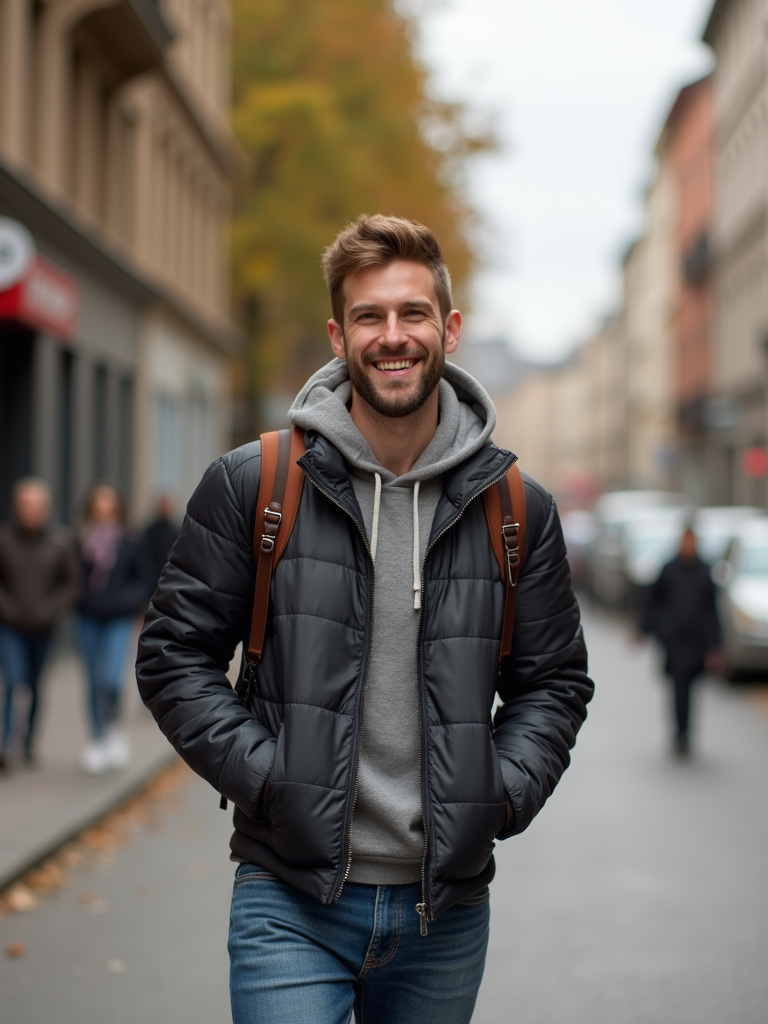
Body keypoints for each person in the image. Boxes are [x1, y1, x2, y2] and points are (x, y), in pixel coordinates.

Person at [137, 214, 593, 1024]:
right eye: (370, 317)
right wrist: (273, 781)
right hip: (290, 897)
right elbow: (173, 655)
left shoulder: (517, 507)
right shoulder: (257, 483)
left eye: (413, 313)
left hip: (444, 914)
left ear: (448, 329)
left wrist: (502, 793)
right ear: (338, 334)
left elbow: (553, 680)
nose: (394, 336)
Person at [0, 478, 79, 770]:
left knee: (34, 685)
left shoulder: (61, 541)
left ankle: (29, 740)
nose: (29, 510)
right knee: (12, 681)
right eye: (24, 505)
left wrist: (50, 609)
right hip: (10, 625)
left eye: (34, 505)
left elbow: (71, 584)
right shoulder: (5, 539)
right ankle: (7, 745)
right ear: (16, 507)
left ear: (45, 508)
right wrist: (8, 608)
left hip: (44, 628)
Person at [77, 483, 147, 775]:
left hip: (118, 618)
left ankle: (113, 728)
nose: (104, 511)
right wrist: (82, 599)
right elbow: (71, 578)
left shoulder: (129, 541)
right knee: (93, 680)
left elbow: (142, 579)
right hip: (88, 619)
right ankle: (96, 739)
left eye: (109, 505)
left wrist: (124, 601)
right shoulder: (80, 540)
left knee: (113, 679)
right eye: (99, 506)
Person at [642, 525, 721, 756]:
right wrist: (650, 628)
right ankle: (680, 733)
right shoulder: (669, 569)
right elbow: (653, 602)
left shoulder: (705, 571)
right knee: (678, 688)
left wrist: (715, 645)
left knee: (691, 690)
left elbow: (712, 610)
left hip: (697, 642)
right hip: (674, 642)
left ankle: (687, 730)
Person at [141, 494, 179, 597]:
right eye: (163, 505)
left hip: (171, 579)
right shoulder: (150, 531)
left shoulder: (177, 532)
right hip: (152, 581)